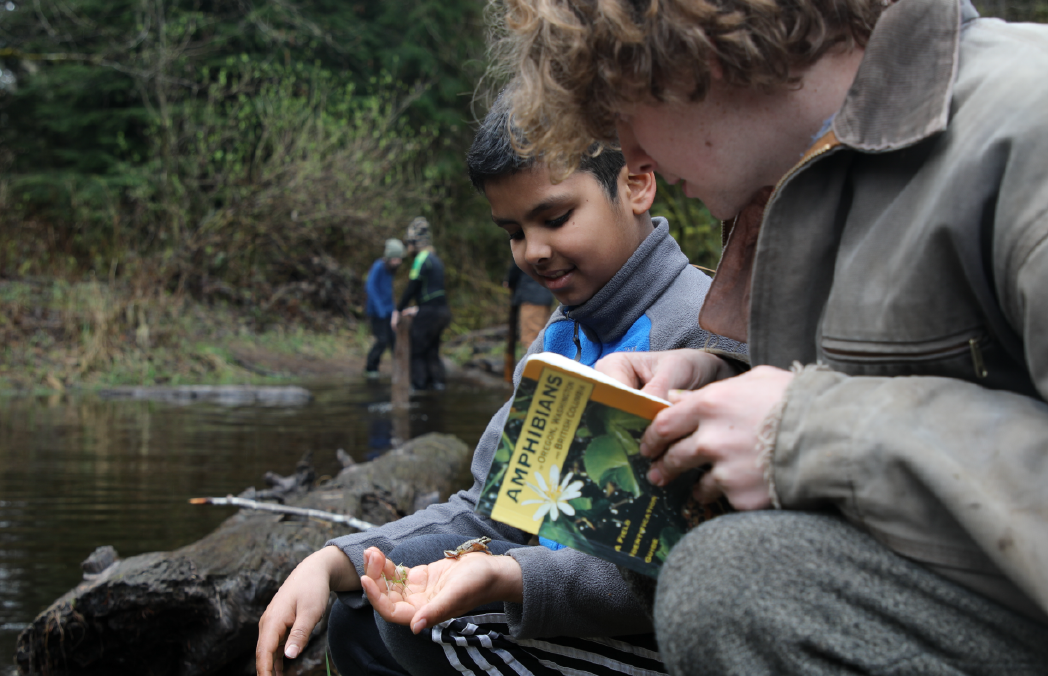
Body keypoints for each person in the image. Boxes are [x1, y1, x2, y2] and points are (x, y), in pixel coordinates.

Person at [493, 0, 1048, 674]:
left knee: (740, 584)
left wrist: (805, 429)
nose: (630, 151)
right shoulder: (807, 177)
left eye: (622, 113)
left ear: (686, 57)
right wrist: (720, 386)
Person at [255, 94, 745, 676]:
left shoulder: (704, 334)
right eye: (513, 231)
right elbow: (489, 514)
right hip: (558, 605)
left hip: (672, 640)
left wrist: (513, 577)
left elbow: (703, 572)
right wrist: (336, 560)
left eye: (555, 218)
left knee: (423, 632)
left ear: (637, 184)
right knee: (359, 615)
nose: (532, 252)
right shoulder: (555, 345)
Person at [393, 217, 451, 391]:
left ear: (414, 243)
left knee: (417, 351)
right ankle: (437, 384)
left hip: (430, 313)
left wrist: (398, 310)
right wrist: (420, 307)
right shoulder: (435, 259)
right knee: (432, 351)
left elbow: (412, 287)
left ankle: (418, 386)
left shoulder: (421, 259)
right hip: (441, 311)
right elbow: (434, 291)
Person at [364, 238, 406, 378]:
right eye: (394, 259)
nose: (397, 262)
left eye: (399, 259)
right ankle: (371, 367)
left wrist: (394, 310)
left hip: (389, 312)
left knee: (394, 341)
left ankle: (399, 369)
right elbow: (370, 288)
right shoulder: (378, 266)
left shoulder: (391, 270)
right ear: (388, 257)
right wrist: (380, 309)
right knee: (382, 340)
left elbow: (389, 291)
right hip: (377, 313)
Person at [505, 260, 555, 348]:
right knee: (542, 336)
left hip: (531, 299)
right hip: (545, 296)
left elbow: (515, 271)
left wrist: (509, 282)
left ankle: (534, 361)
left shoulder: (525, 252)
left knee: (531, 338)